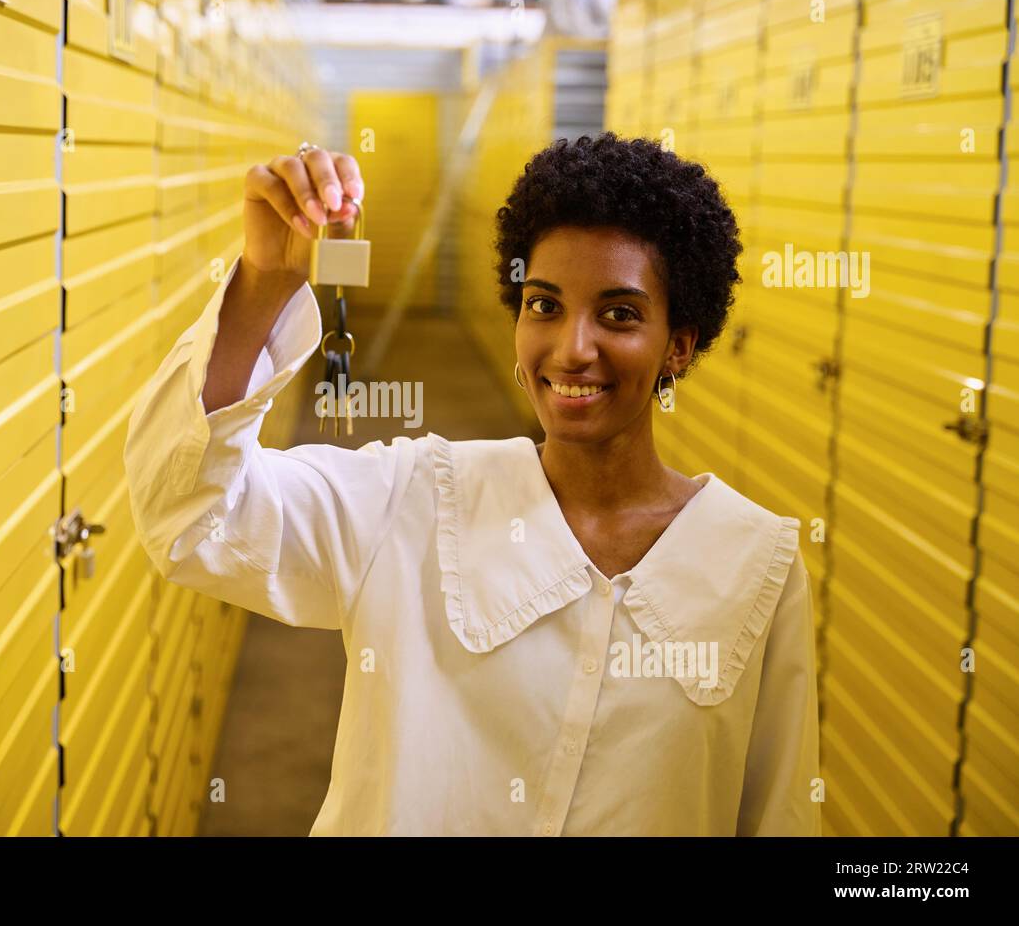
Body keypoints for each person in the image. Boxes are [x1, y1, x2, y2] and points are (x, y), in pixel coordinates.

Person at [124, 133, 822, 836]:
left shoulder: (756, 564)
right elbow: (193, 516)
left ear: (680, 343)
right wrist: (265, 280)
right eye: (545, 305)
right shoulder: (415, 499)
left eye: (619, 314)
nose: (573, 348)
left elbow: (778, 816)